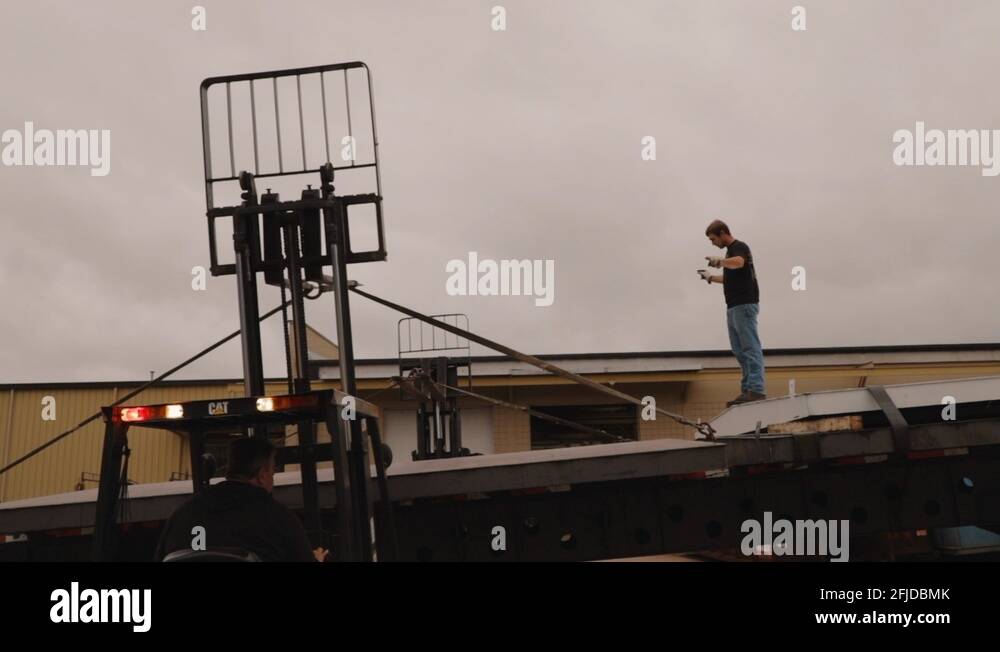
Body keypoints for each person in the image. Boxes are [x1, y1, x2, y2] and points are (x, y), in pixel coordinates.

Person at [154, 436, 325, 562]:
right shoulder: (278, 518)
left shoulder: (183, 514)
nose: (273, 478)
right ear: (262, 475)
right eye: (273, 471)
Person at [697, 219, 766, 406]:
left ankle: (756, 389)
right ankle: (747, 390)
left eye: (713, 239)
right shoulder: (729, 254)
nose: (713, 243)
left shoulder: (739, 247)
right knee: (739, 350)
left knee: (750, 347)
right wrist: (711, 277)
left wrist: (719, 261)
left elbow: (739, 262)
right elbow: (730, 278)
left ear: (722, 233)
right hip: (733, 307)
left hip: (744, 305)